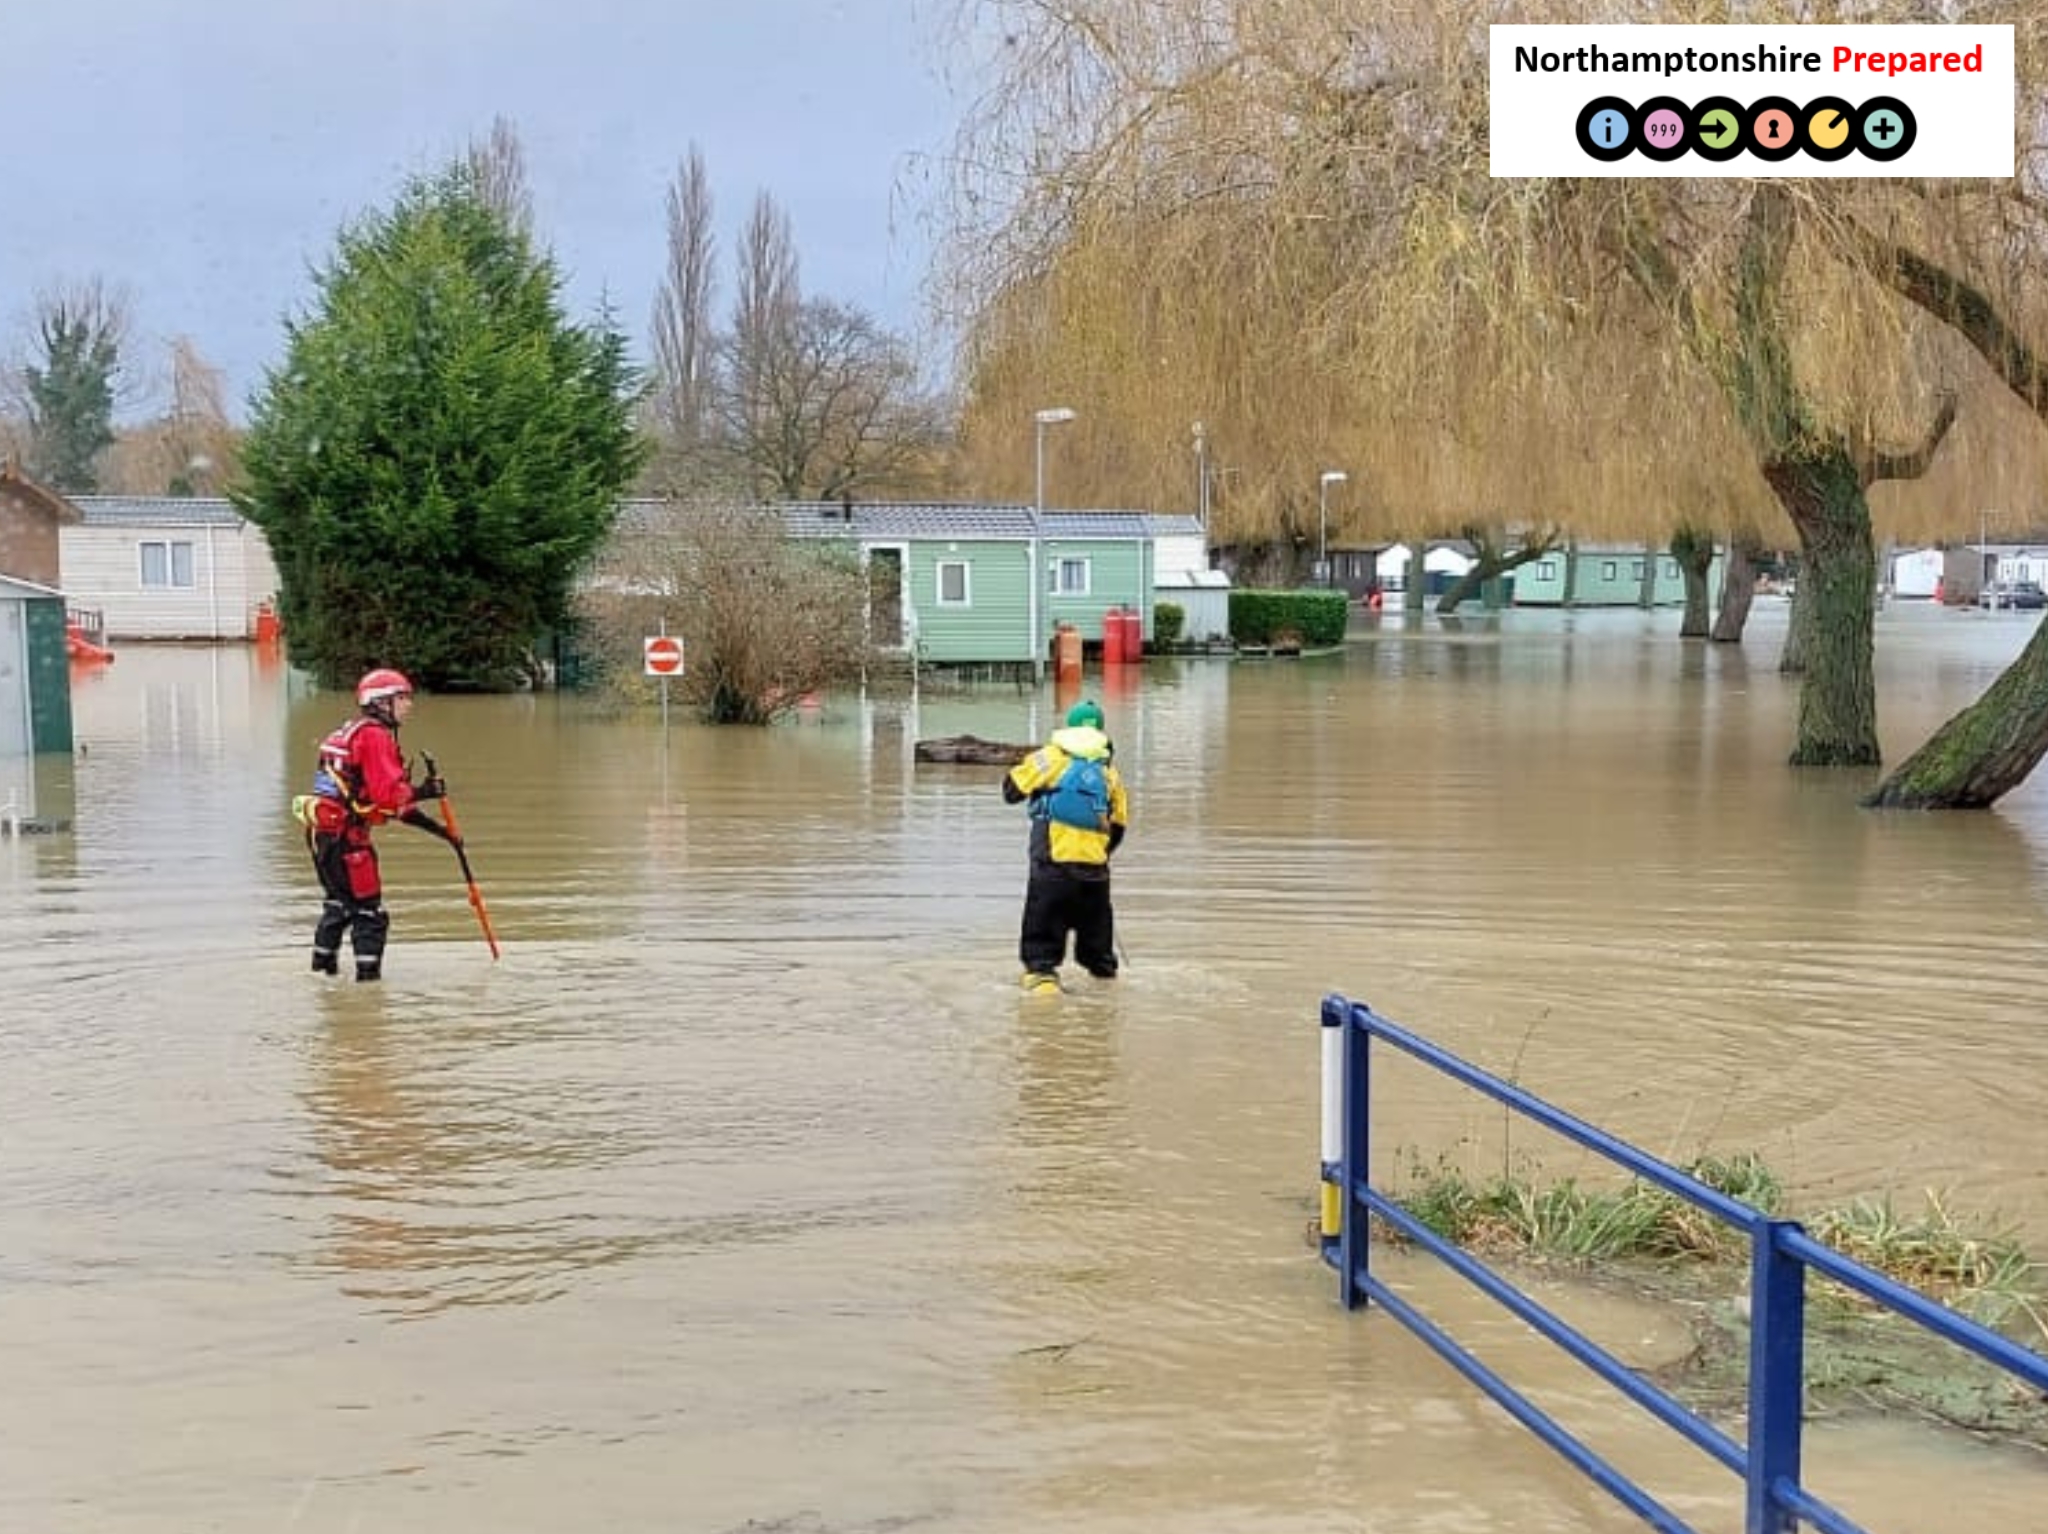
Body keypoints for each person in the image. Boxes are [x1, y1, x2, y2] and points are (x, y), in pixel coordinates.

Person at [292, 668, 453, 981]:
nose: (409, 705)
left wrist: (442, 833)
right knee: (370, 913)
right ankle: (368, 991)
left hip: (321, 834)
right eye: (402, 698)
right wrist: (424, 792)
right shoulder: (375, 737)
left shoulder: (349, 732)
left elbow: (375, 801)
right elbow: (391, 799)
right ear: (382, 703)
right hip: (348, 841)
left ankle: (322, 975)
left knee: (337, 906)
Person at [1002, 699, 1130, 994]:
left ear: (1069, 725)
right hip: (1095, 875)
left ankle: (1041, 979)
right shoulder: (1109, 773)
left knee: (1041, 945)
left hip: (1052, 869)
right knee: (1098, 952)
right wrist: (1097, 854)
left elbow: (1010, 791)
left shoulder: (1050, 757)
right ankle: (1104, 976)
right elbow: (1119, 827)